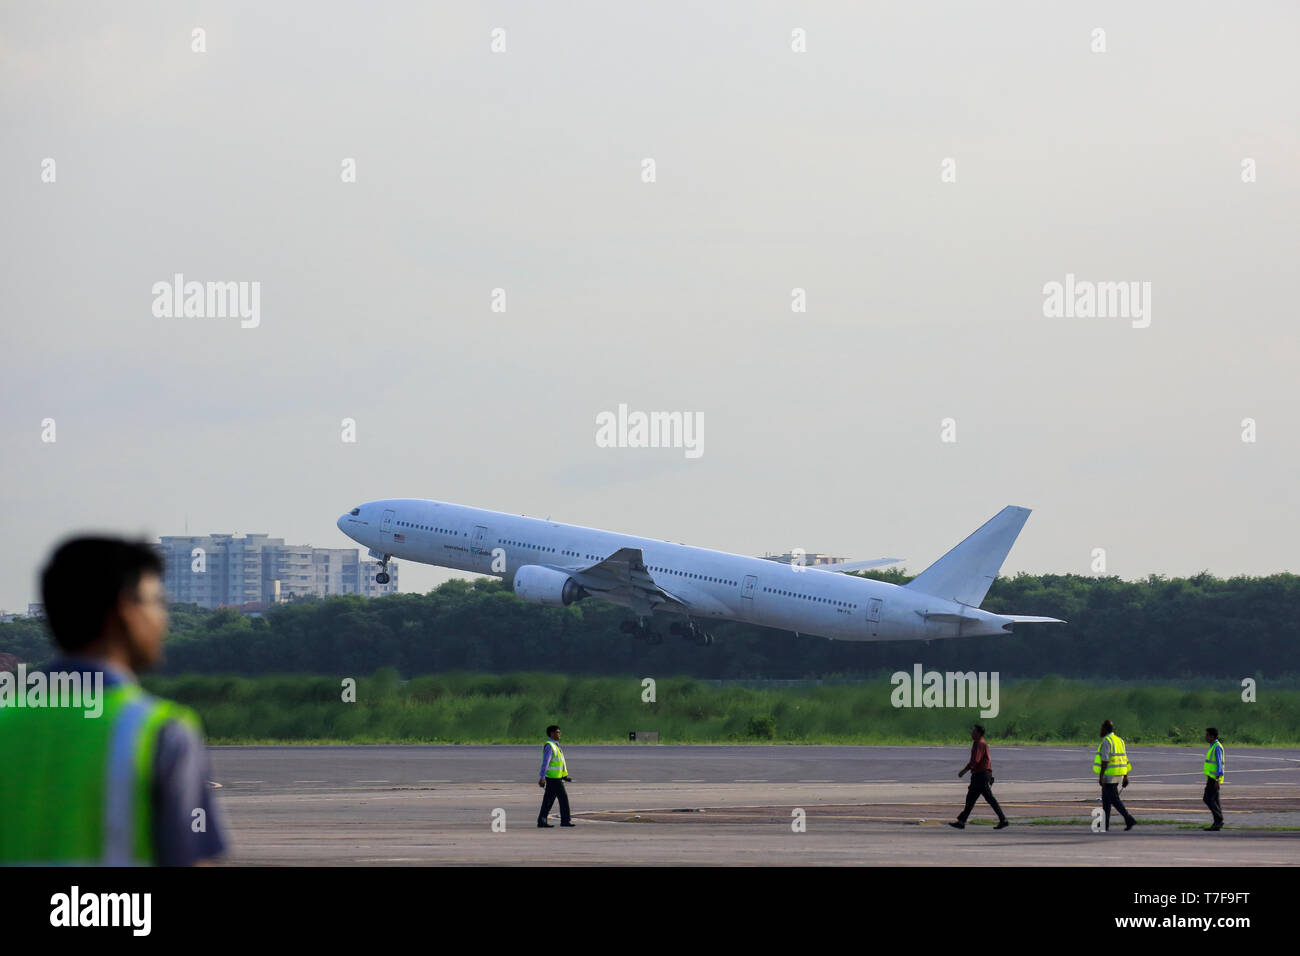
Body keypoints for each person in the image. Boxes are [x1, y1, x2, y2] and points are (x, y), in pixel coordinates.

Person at [0, 537, 227, 864]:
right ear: (125, 611)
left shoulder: (7, 722)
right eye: (157, 600)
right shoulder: (162, 729)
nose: (164, 615)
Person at [949, 723, 1009, 830]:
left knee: (984, 798)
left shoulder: (980, 744)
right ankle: (962, 821)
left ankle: (1003, 819)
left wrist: (964, 771)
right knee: (972, 799)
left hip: (980, 776)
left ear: (979, 733)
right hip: (979, 775)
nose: (972, 733)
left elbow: (975, 760)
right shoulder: (977, 743)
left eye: (974, 731)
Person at [1094, 720, 1136, 832]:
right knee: (1106, 801)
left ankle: (1129, 819)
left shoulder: (1107, 741)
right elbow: (1124, 759)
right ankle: (1104, 825)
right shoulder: (1120, 740)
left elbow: (1105, 760)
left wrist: (1101, 776)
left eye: (1101, 728)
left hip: (1109, 776)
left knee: (1114, 800)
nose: (1100, 730)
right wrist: (1125, 776)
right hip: (1119, 774)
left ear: (1105, 729)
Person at [537, 724, 575, 828]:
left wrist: (564, 776)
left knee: (548, 801)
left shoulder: (556, 746)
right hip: (553, 779)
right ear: (552, 733)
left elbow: (559, 763)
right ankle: (565, 821)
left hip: (556, 778)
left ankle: (542, 821)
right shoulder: (550, 746)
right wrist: (542, 777)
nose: (559, 734)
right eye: (557, 732)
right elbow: (546, 762)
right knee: (563, 798)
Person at [1202, 727, 1226, 831]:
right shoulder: (1213, 746)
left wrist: (1217, 779)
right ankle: (1218, 822)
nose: (1205, 737)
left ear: (1212, 736)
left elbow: (1219, 763)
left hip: (1214, 778)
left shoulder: (1217, 747)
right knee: (1214, 800)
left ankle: (1218, 821)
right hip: (1211, 777)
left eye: (1207, 735)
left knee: (1208, 799)